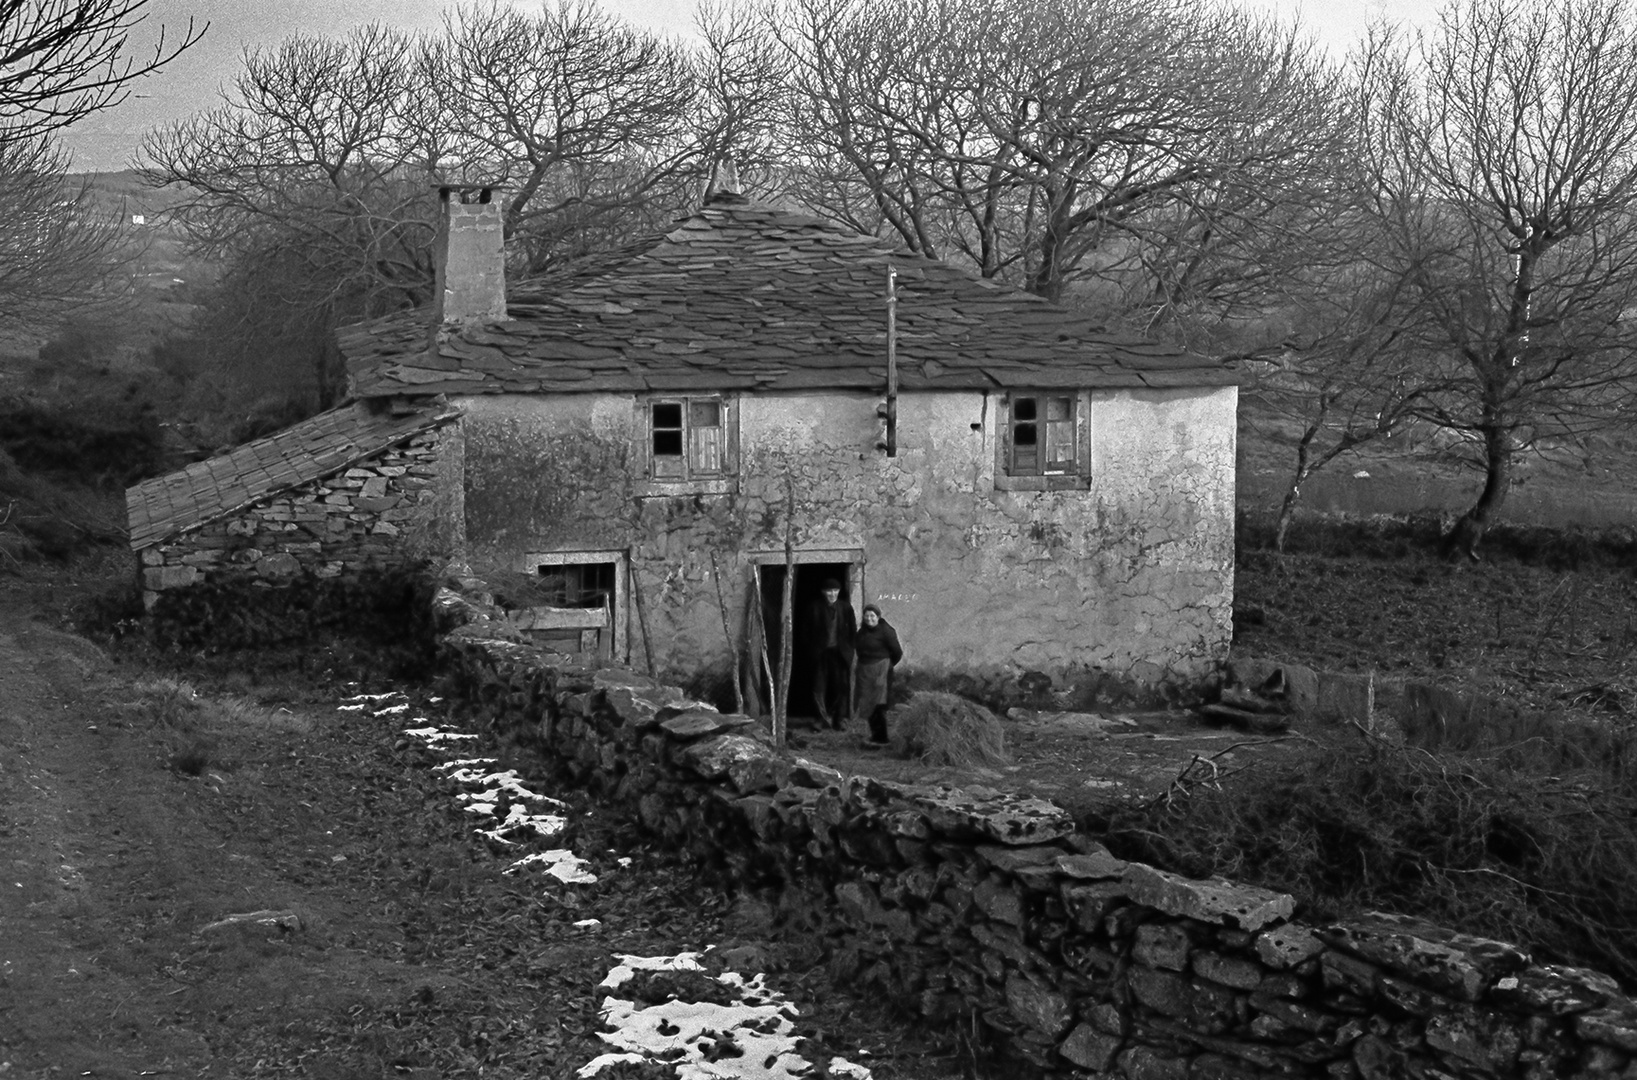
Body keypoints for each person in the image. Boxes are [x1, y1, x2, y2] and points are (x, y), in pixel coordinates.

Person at [806, 578, 856, 728]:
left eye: (835, 590)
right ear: (823, 592)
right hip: (820, 653)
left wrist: (849, 648)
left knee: (841, 687)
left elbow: (852, 631)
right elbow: (806, 632)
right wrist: (811, 649)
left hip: (840, 653)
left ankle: (838, 719)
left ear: (839, 591)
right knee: (818, 687)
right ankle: (820, 719)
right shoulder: (814, 608)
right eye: (829, 591)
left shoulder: (846, 608)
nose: (832, 594)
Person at [851, 603, 903, 745]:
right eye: (866, 616)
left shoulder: (886, 631)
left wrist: (888, 665)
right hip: (865, 671)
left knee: (879, 704)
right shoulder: (862, 632)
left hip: (881, 671)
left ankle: (881, 737)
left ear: (878, 617)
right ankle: (874, 735)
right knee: (867, 702)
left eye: (872, 616)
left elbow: (897, 652)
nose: (869, 619)